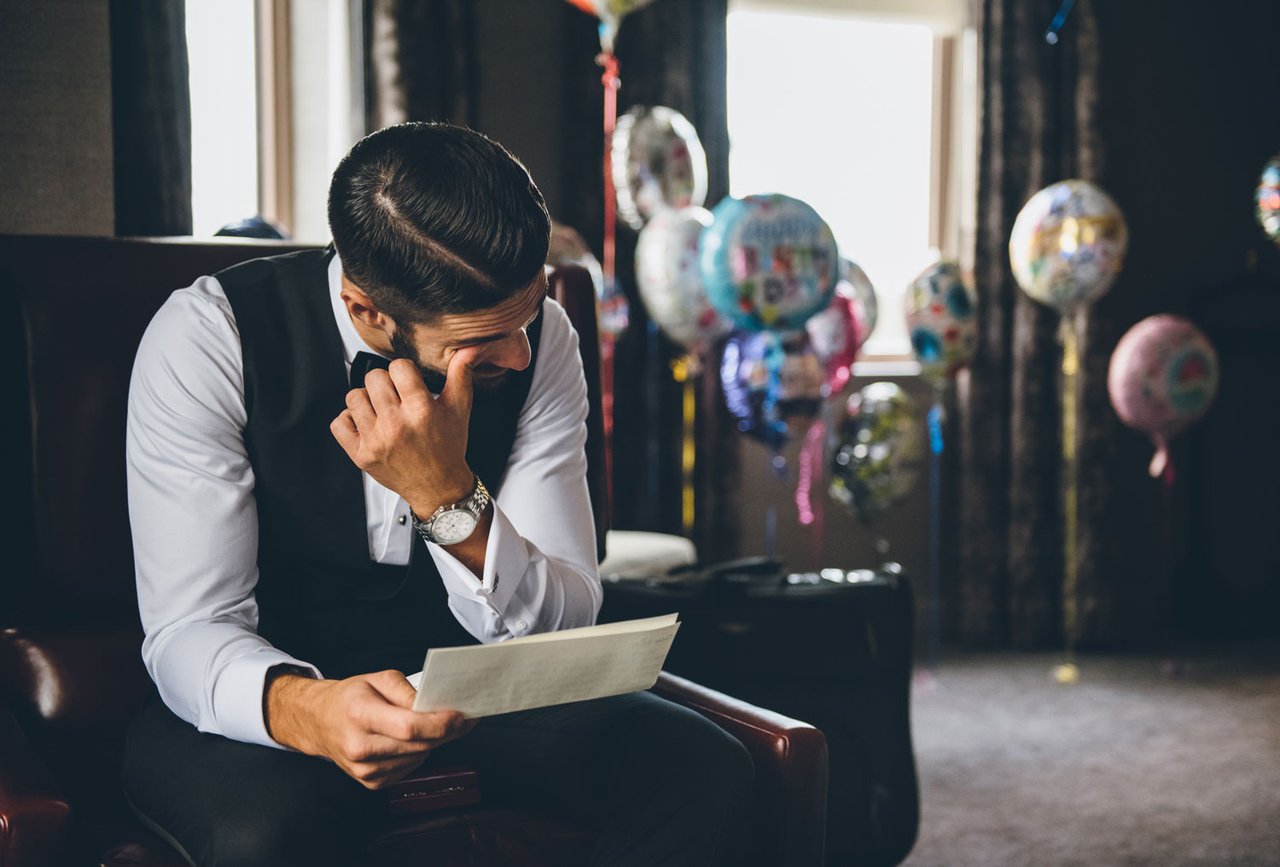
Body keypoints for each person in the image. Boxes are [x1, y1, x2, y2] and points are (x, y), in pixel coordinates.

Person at [122, 122, 753, 867]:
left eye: (530, 313)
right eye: (484, 342)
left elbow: (565, 617)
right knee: (265, 837)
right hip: (274, 691)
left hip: (478, 684)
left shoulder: (540, 338)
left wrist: (447, 496)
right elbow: (189, 629)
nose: (521, 354)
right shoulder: (207, 338)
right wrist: (312, 710)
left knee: (701, 769)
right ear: (367, 311)